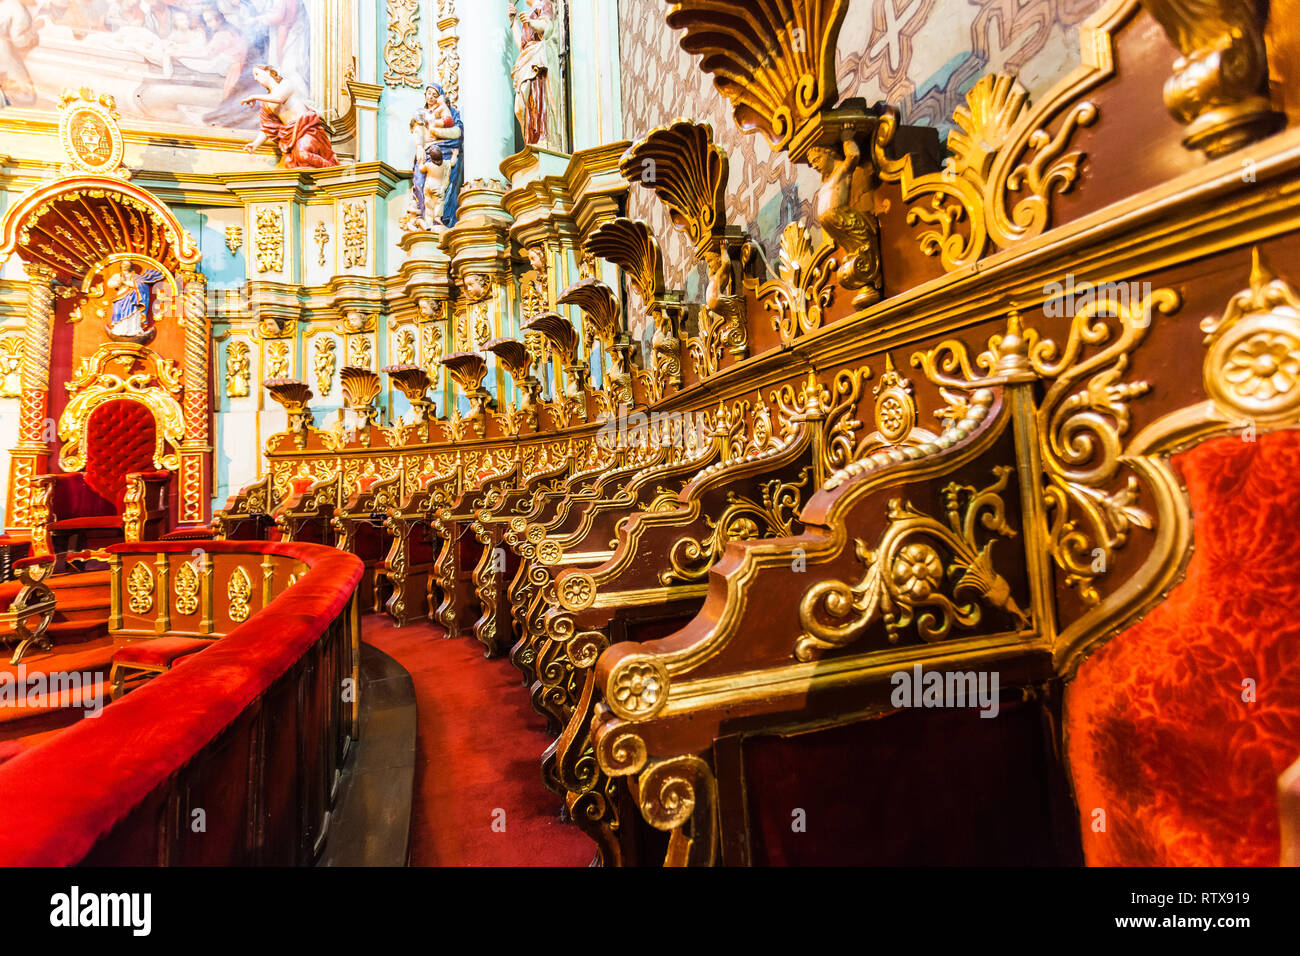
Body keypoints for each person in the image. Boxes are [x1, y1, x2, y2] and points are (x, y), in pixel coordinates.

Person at [241, 63, 337, 168]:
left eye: (257, 74)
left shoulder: (285, 84)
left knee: (303, 154)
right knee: (289, 163)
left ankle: (332, 169)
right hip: (290, 134)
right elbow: (267, 127)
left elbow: (279, 98)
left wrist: (254, 96)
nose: (255, 78)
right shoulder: (265, 103)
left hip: (305, 127)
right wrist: (255, 144)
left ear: (268, 71)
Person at [508, 0, 564, 150]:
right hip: (526, 58)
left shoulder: (543, 4)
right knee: (520, 107)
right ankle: (530, 141)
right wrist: (513, 23)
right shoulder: (529, 12)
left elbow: (547, 27)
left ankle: (542, 139)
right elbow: (522, 45)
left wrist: (531, 22)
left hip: (537, 59)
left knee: (536, 97)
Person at [412, 84, 462, 226]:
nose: (431, 97)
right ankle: (425, 218)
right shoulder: (421, 113)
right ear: (425, 95)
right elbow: (418, 131)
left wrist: (436, 130)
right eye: (429, 94)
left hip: (445, 151)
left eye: (435, 95)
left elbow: (456, 130)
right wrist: (419, 147)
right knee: (420, 183)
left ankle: (443, 219)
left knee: (444, 188)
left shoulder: (449, 111)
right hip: (426, 151)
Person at [106, 262, 166, 344]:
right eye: (123, 264)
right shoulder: (117, 276)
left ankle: (133, 330)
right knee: (118, 313)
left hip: (133, 299)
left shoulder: (136, 277)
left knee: (133, 314)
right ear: (120, 266)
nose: (125, 266)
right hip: (121, 296)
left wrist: (125, 283)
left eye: (127, 265)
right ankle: (119, 329)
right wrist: (117, 282)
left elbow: (140, 286)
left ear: (130, 266)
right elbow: (110, 284)